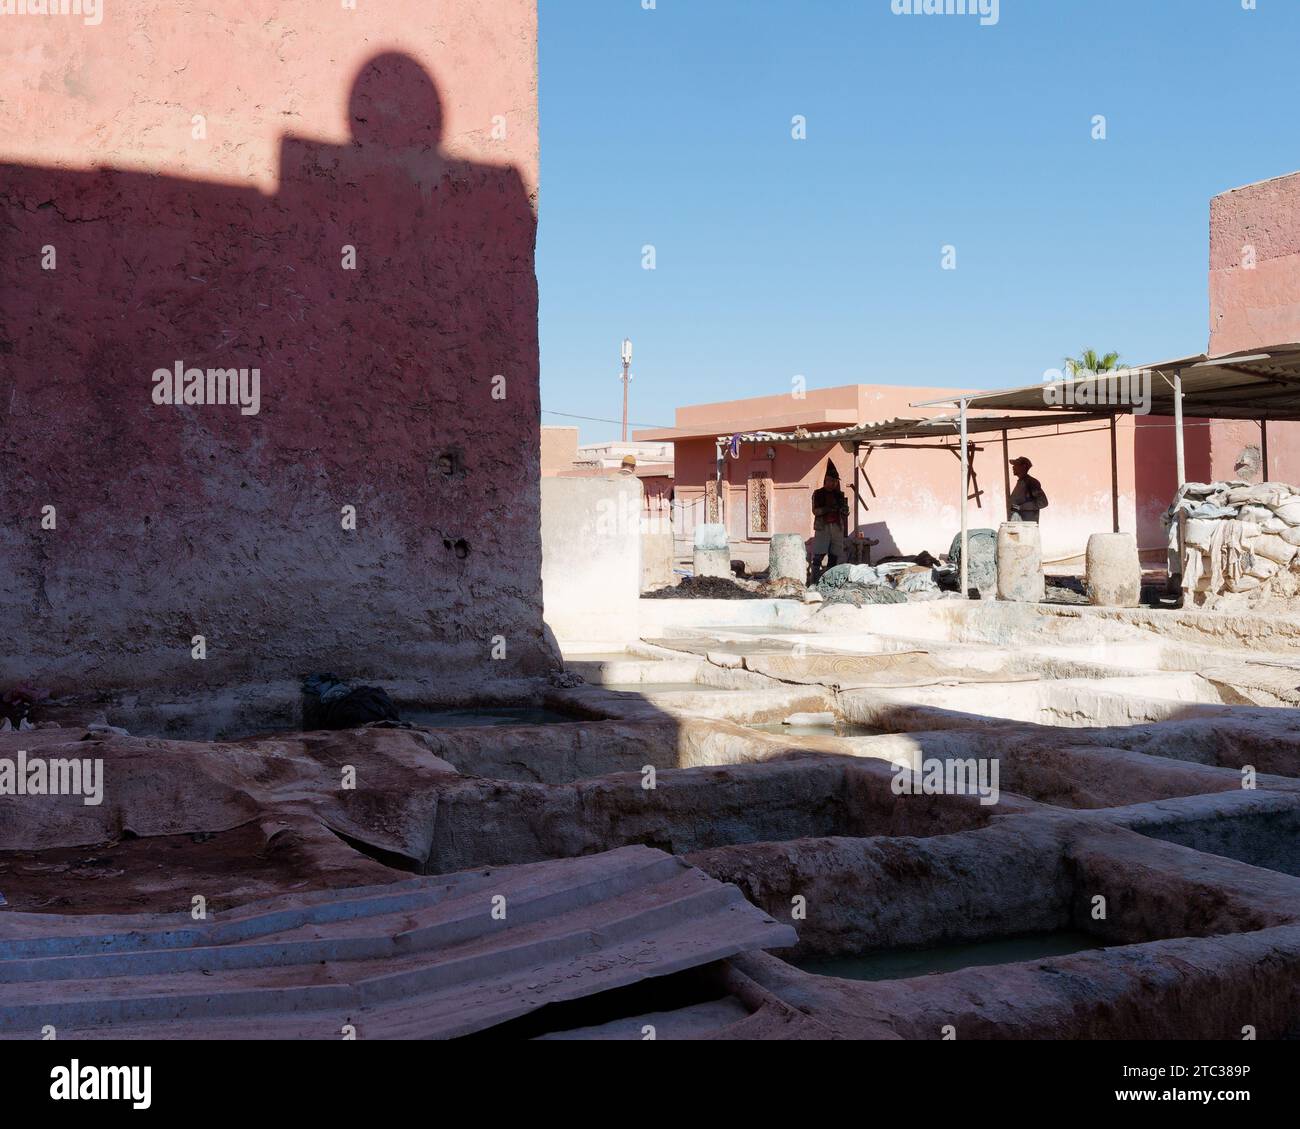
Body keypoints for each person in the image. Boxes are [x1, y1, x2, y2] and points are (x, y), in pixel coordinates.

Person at [810, 461, 850, 582]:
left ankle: (829, 581)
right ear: (825, 481)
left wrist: (844, 510)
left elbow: (845, 513)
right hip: (823, 527)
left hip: (837, 528)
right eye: (831, 480)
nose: (833, 483)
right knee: (818, 555)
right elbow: (815, 511)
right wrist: (828, 509)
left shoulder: (839, 495)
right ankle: (815, 580)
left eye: (835, 481)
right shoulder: (818, 494)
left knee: (834, 556)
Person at [1009, 456, 1049, 522]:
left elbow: (1043, 502)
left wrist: (1020, 507)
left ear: (1023, 467)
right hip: (1018, 525)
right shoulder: (1021, 482)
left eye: (1016, 465)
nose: (1013, 467)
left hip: (1027, 527)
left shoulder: (1031, 482)